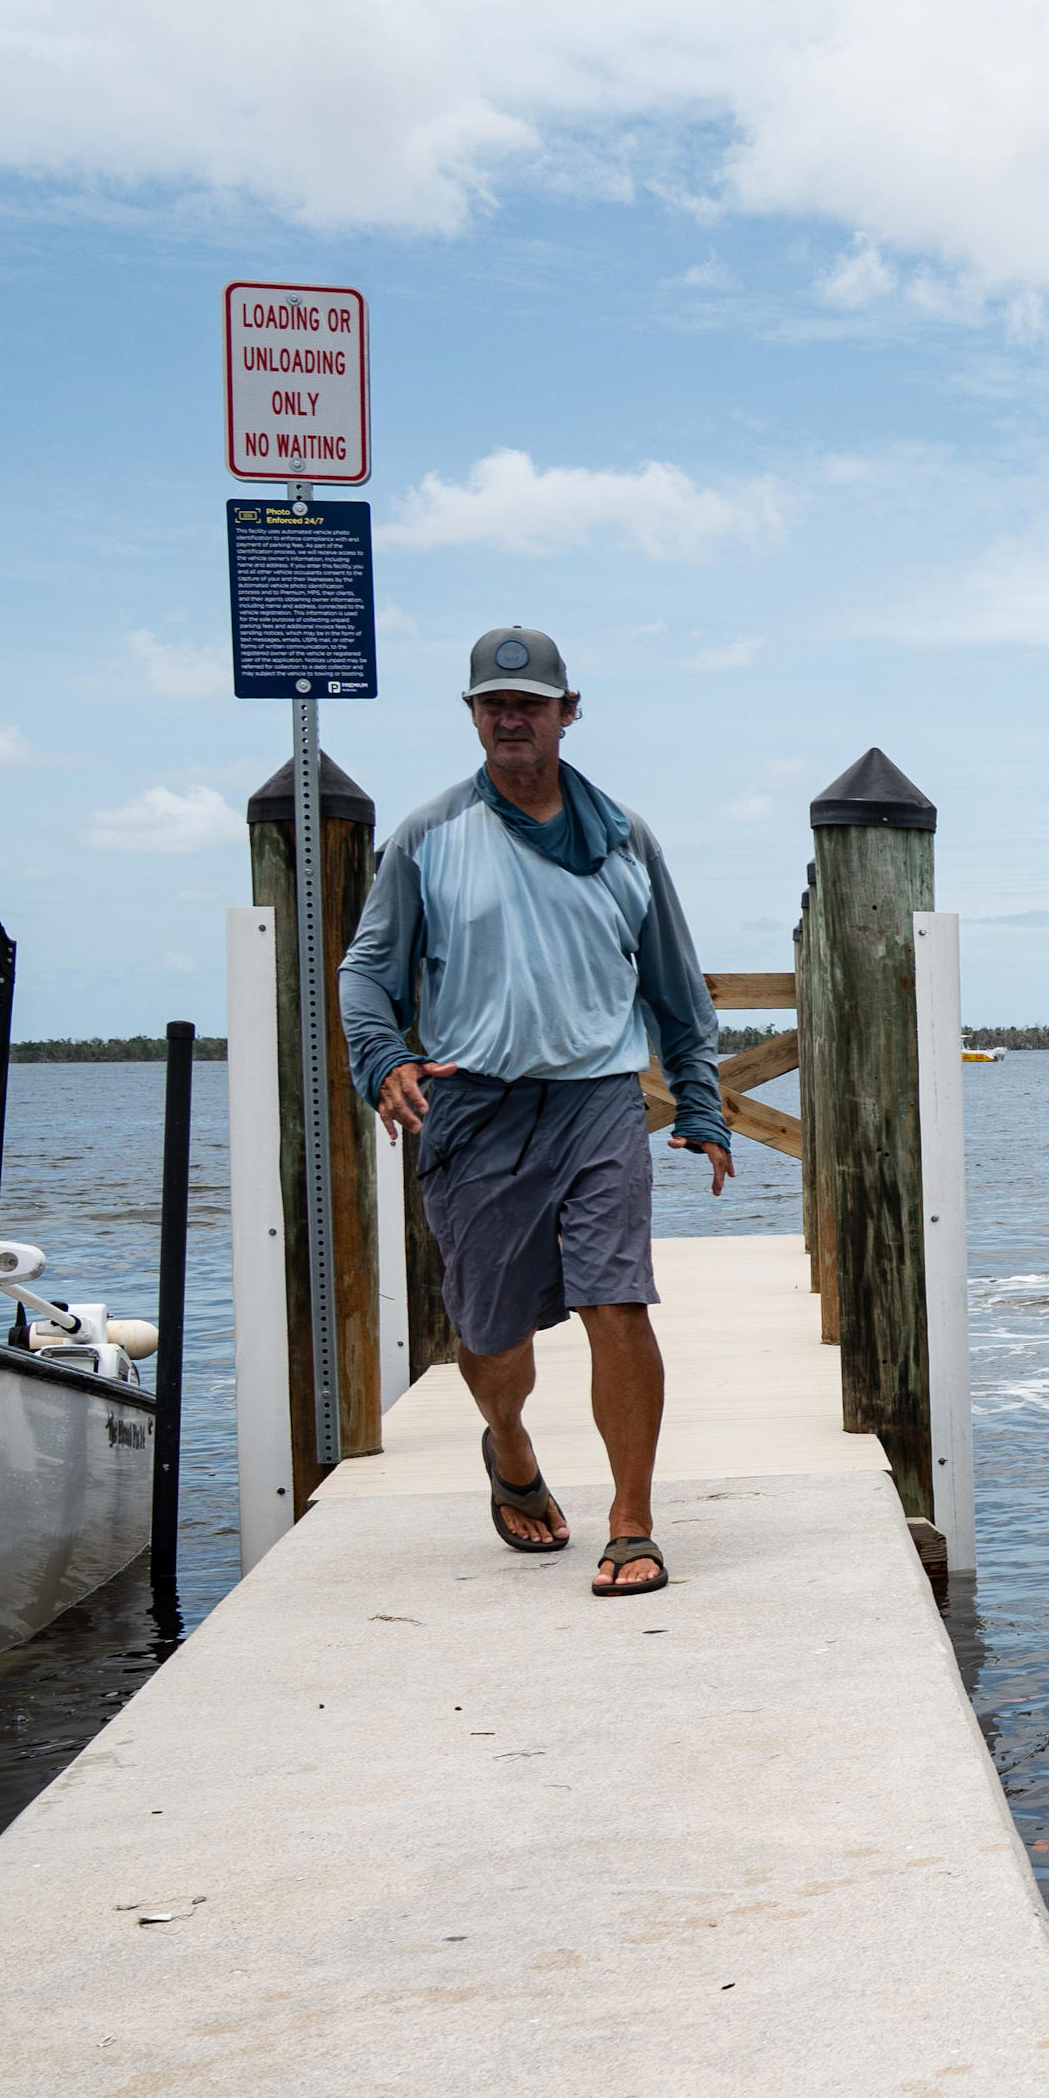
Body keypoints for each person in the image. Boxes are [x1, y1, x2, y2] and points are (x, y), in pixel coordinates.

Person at [339, 629, 732, 1596]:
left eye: (531, 701)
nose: (512, 717)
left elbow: (678, 993)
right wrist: (382, 1057)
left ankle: (631, 1521)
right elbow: (364, 974)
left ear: (568, 711)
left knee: (617, 1299)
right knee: (490, 1336)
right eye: (493, 702)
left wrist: (703, 1103)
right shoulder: (428, 837)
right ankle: (507, 1444)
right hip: (473, 1107)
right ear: (472, 714)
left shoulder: (628, 840)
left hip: (598, 1099)